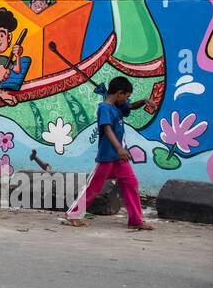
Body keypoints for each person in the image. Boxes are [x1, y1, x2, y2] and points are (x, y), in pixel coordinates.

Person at [65, 76, 152, 229]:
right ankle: (73, 214)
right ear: (119, 93)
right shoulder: (104, 108)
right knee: (94, 186)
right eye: (126, 96)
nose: (127, 100)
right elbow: (107, 128)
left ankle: (135, 220)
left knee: (131, 183)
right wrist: (119, 148)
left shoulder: (118, 106)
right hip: (108, 156)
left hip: (120, 158)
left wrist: (144, 101)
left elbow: (131, 107)